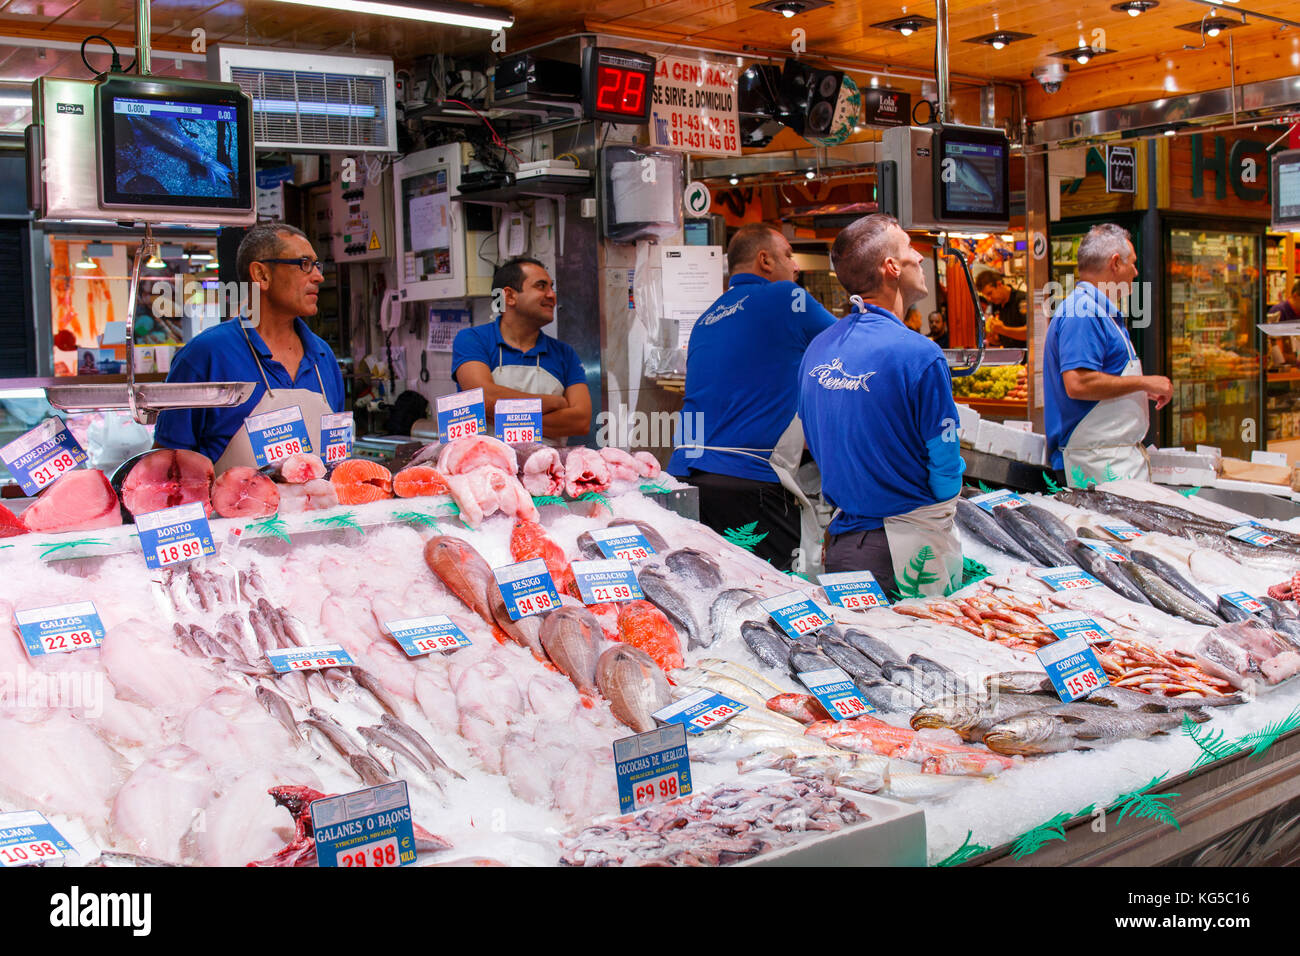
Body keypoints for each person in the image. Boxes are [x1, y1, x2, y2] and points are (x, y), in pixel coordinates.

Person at [798, 214, 965, 596]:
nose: (920, 258)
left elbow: (813, 439)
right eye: (909, 249)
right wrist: (938, 508)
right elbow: (944, 459)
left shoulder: (817, 349)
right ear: (891, 267)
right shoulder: (921, 354)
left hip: (842, 548)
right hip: (907, 552)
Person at [667, 223, 837, 571]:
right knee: (775, 599)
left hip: (687, 479)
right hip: (749, 484)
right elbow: (854, 346)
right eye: (789, 255)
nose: (796, 266)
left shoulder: (707, 316)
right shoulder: (787, 298)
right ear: (765, 260)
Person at [154, 223, 345, 469]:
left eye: (317, 265)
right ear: (262, 275)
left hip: (322, 508)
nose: (318, 276)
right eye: (304, 264)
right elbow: (166, 468)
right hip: (234, 507)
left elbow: (339, 459)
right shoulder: (206, 355)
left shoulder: (323, 356)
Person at [1043, 223, 1172, 486]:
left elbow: (1099, 380)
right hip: (1093, 466)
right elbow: (1078, 383)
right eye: (1133, 264)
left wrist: (1133, 392)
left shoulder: (1100, 311)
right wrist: (1145, 382)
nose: (1136, 272)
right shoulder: (1083, 311)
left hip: (1109, 462)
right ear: (1115, 263)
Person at [451, 257, 590, 446]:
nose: (552, 295)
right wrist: (554, 403)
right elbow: (485, 398)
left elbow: (580, 421)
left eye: (552, 287)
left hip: (547, 470)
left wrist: (504, 417)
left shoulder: (564, 353)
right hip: (485, 468)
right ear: (509, 296)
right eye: (541, 286)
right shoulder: (473, 339)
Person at [975, 270, 1027, 345]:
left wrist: (1003, 330)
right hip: (1009, 354)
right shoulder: (996, 305)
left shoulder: (1022, 299)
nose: (989, 298)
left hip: (1026, 355)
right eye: (986, 296)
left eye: (990, 293)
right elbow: (1001, 339)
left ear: (999, 284)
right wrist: (994, 338)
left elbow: (1029, 333)